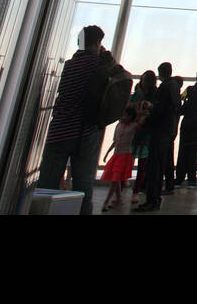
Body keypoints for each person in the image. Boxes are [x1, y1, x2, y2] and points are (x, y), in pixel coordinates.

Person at [37, 25, 122, 215]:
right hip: (86, 132)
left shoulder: (68, 65)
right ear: (98, 43)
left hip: (59, 130)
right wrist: (107, 57)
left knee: (47, 184)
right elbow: (121, 78)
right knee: (83, 187)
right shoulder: (100, 65)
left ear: (79, 42)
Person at [137, 61, 181, 211]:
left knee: (154, 167)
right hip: (169, 131)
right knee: (160, 165)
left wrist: (149, 111)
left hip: (160, 131)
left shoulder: (164, 88)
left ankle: (152, 200)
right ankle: (155, 199)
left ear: (160, 73)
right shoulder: (175, 87)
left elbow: (160, 110)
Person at [101, 105, 141, 211]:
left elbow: (141, 122)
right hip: (117, 154)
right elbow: (115, 141)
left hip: (124, 155)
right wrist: (108, 153)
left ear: (131, 117)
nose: (123, 117)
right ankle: (118, 199)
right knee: (116, 179)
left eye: (126, 115)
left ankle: (106, 202)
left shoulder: (133, 126)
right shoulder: (119, 125)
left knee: (115, 180)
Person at [128, 71, 155, 207]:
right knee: (137, 163)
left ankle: (135, 190)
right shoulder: (142, 95)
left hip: (142, 133)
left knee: (141, 165)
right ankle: (133, 189)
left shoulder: (141, 95)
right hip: (140, 132)